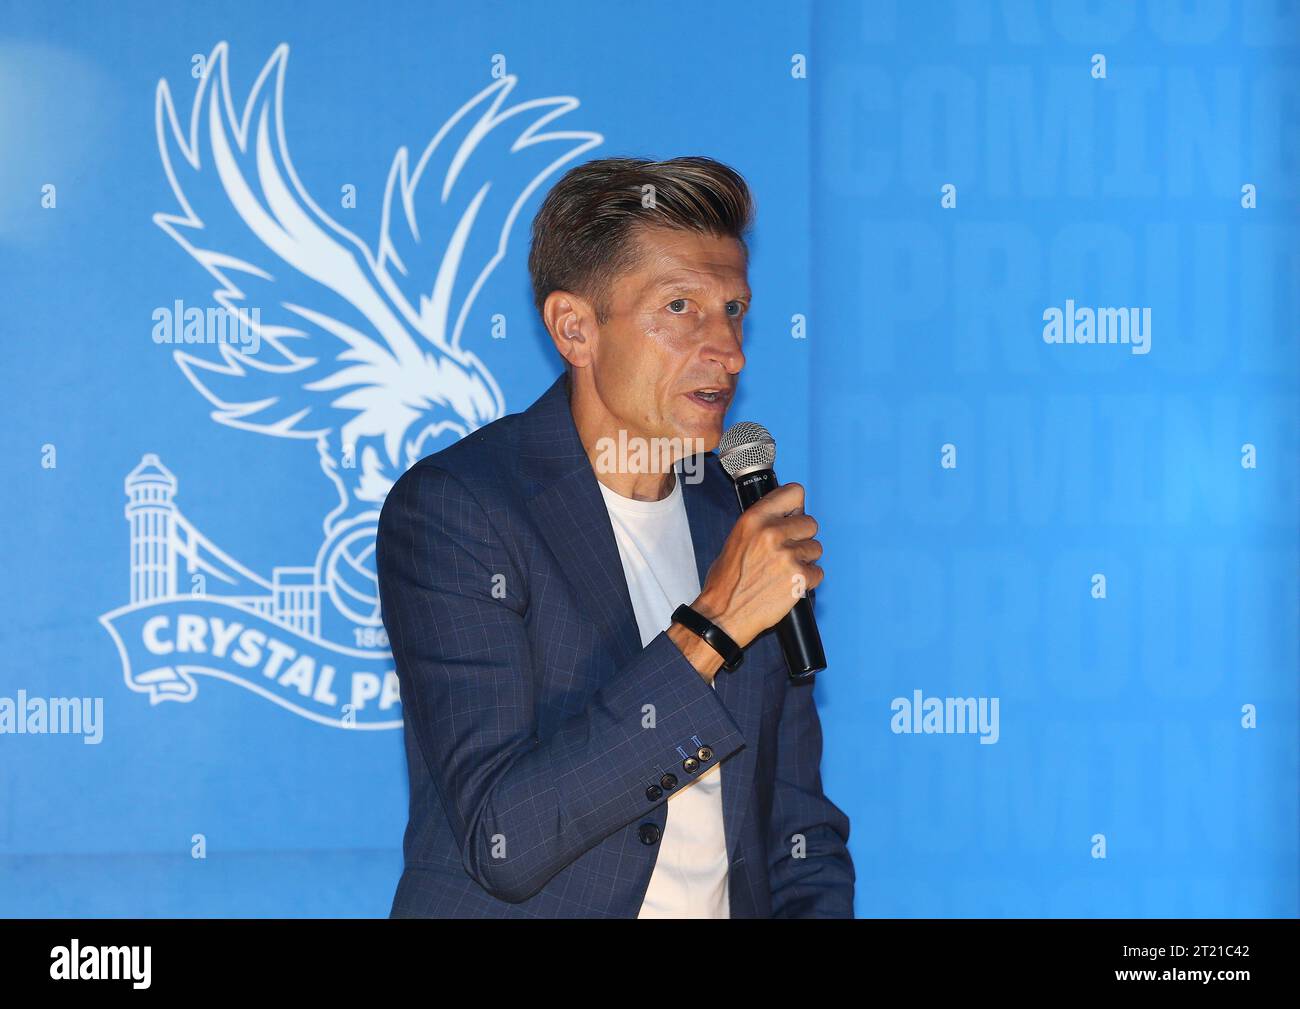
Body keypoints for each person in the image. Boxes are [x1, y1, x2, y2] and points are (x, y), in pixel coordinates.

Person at [376, 155, 854, 917]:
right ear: (575, 328)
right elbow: (508, 839)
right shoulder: (459, 509)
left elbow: (797, 830)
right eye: (678, 307)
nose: (727, 350)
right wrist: (716, 624)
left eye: (733, 309)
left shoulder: (733, 518)